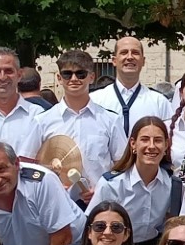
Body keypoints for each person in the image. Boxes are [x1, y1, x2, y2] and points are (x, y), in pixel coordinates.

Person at [36, 49, 126, 192]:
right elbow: (36, 165)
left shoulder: (110, 120)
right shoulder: (42, 121)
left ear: (91, 77)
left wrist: (103, 190)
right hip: (57, 201)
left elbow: (121, 165)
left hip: (99, 202)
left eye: (80, 74)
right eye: (67, 74)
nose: (74, 79)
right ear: (59, 78)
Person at [97, 117, 180, 245]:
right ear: (133, 144)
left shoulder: (172, 184)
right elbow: (93, 225)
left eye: (158, 140)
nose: (151, 146)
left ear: (166, 145)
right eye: (145, 139)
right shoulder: (111, 184)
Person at [87, 34, 171, 132]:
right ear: (114, 61)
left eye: (135, 53)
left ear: (143, 61)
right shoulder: (95, 100)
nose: (130, 57)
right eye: (124, 52)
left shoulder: (160, 102)